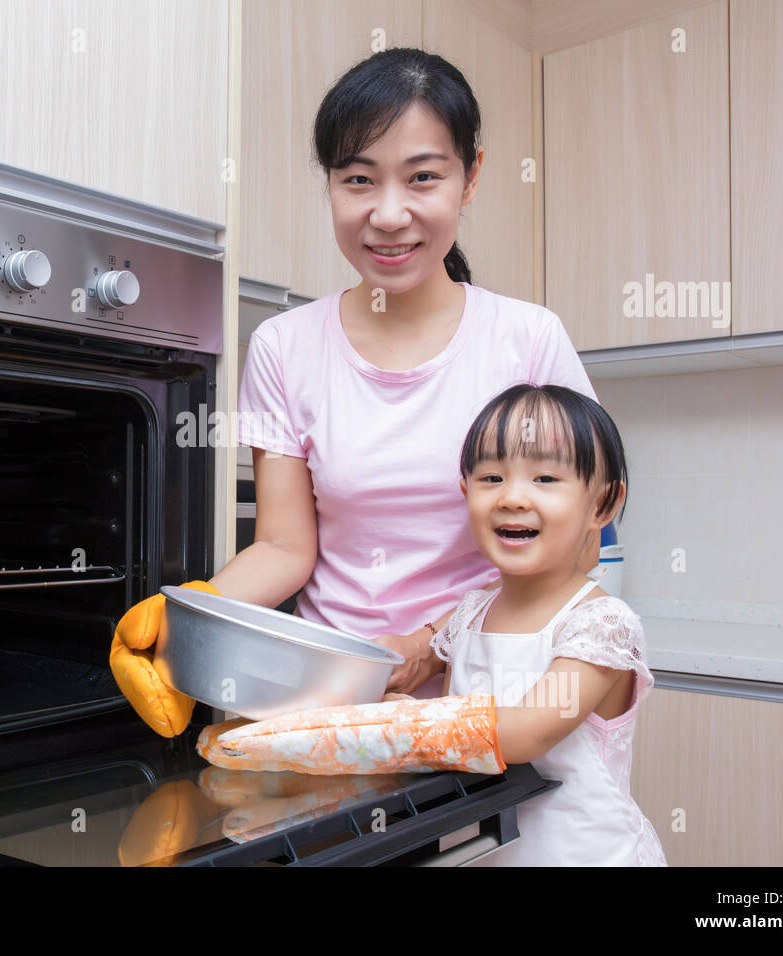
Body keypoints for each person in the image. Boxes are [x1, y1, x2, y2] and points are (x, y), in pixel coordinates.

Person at [109, 47, 600, 736]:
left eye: (423, 177)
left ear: (471, 177)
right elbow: (284, 547)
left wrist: (431, 646)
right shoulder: (285, 346)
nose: (389, 214)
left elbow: (581, 538)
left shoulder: (527, 341)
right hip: (325, 704)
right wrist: (193, 614)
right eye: (359, 180)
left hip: (489, 703)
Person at [199, 383, 667, 866]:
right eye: (490, 478)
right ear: (465, 492)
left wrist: (403, 725)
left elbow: (528, 732)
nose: (512, 497)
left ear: (603, 505)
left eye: (545, 478)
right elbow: (415, 691)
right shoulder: (469, 615)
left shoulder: (602, 624)